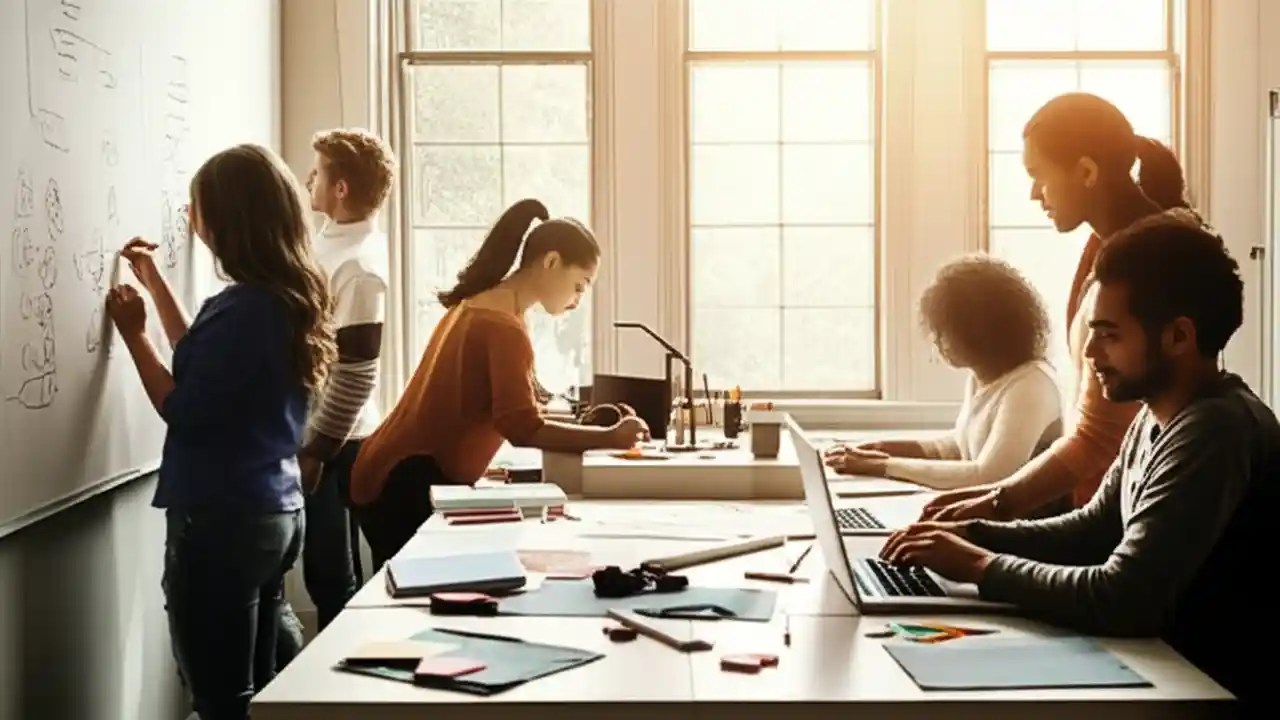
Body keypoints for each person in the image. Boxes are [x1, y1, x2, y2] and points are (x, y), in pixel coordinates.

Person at [880, 213, 1273, 705]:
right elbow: (1091, 529)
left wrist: (981, 565)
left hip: (1199, 688)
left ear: (1178, 337)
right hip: (1158, 669)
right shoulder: (1157, 419)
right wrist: (972, 534)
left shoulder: (1215, 429)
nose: (1089, 351)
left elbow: (1124, 597)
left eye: (1108, 334)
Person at [105, 144, 336, 720]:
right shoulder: (279, 298)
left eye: (198, 207)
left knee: (220, 700)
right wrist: (155, 285)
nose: (191, 219)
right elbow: (201, 361)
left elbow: (182, 407)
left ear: (230, 219)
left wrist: (133, 335)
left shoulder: (245, 308)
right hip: (273, 514)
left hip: (221, 521)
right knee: (260, 691)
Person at [921, 91, 1197, 522]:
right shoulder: (1102, 247)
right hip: (1098, 500)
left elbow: (1101, 438)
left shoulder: (1145, 262)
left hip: (1128, 512)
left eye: (1039, 175)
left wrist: (994, 503)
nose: (1034, 193)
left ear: (1086, 171)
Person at [349, 199, 648, 569]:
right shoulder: (501, 325)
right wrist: (610, 438)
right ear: (550, 262)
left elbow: (512, 412)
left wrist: (591, 427)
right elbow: (521, 428)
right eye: (579, 286)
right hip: (406, 483)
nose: (577, 301)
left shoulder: (489, 307)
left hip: (394, 473)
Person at [825, 255, 1062, 490]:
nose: (937, 341)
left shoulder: (1032, 386)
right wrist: (880, 448)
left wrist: (884, 466)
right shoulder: (982, 377)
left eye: (944, 331)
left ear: (980, 330)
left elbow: (988, 476)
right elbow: (960, 448)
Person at [297, 128, 395, 631]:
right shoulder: (328, 243)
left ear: (340, 189)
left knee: (332, 577)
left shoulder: (359, 266)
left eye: (317, 171)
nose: (309, 179)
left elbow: (358, 373)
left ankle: (344, 698)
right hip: (324, 437)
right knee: (325, 572)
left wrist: (317, 449)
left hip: (340, 442)